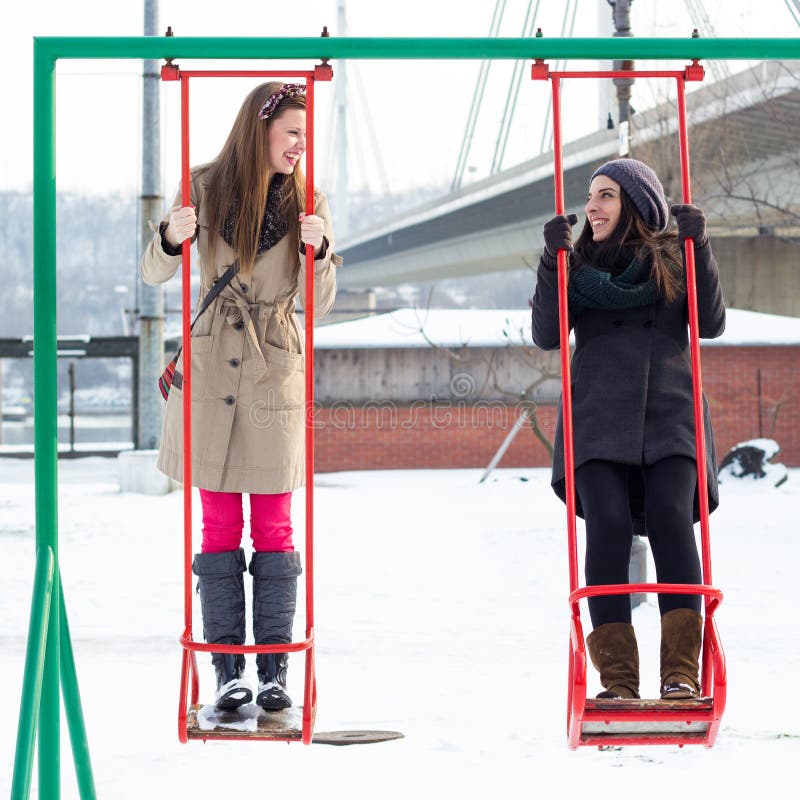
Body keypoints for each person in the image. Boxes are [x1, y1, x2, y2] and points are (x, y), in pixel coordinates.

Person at [141, 82, 341, 712]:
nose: (300, 146)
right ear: (261, 132)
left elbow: (320, 302)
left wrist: (321, 252)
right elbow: (152, 272)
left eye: (305, 135)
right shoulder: (201, 187)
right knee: (220, 522)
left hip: (271, 367)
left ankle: (273, 667)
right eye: (291, 133)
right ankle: (229, 667)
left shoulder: (309, 200)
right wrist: (171, 239)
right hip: (211, 367)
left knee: (275, 524)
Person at [531, 158, 725, 701]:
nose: (590, 207)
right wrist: (551, 259)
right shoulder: (574, 267)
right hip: (597, 419)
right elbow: (547, 334)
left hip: (670, 413)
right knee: (609, 526)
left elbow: (710, 321)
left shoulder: (674, 259)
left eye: (606, 196)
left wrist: (701, 246)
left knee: (669, 517)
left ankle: (681, 673)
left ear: (637, 205)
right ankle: (617, 680)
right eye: (591, 196)